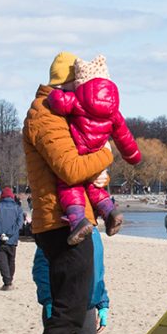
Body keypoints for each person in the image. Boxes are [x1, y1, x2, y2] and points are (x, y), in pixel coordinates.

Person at [20, 51, 114, 334]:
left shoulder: (58, 115)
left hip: (69, 222)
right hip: (61, 225)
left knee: (75, 310)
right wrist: (105, 156)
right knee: (68, 312)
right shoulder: (46, 117)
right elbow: (71, 168)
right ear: (68, 83)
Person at [45, 54, 142, 242]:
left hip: (80, 148)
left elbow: (59, 101)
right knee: (94, 185)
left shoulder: (77, 101)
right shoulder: (114, 111)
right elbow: (125, 137)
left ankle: (77, 219)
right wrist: (133, 156)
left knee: (69, 185)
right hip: (97, 150)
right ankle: (109, 211)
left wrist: (53, 95)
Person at [32, 232, 108, 334]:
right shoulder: (58, 229)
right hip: (63, 307)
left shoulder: (94, 233)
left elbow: (98, 271)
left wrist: (102, 302)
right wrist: (49, 300)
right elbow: (41, 266)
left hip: (88, 306)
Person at [0, 186, 25, 290]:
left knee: (3, 262)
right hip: (12, 240)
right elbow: (20, 223)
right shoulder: (18, 208)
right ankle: (9, 281)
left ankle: (7, 282)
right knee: (11, 260)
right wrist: (10, 234)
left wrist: (1, 234)